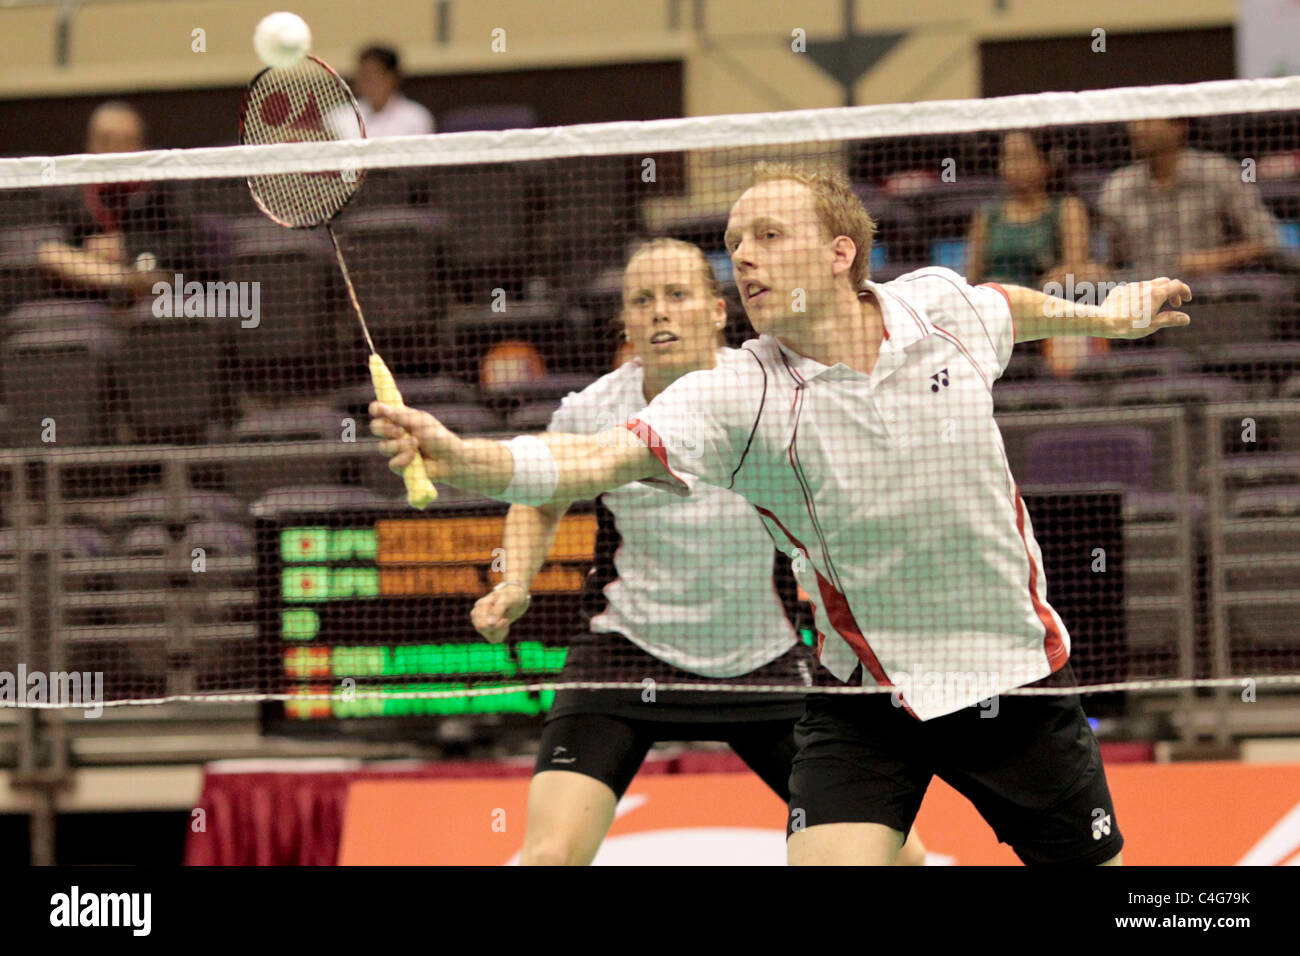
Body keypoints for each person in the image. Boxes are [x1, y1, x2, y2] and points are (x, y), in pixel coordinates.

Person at [371, 162, 1193, 866]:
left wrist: (1107, 316)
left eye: (766, 236)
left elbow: (1008, 304)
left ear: (841, 254)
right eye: (734, 245)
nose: (744, 258)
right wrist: (463, 456)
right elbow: (586, 461)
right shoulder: (739, 393)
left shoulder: (938, 309)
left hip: (1011, 671)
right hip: (867, 693)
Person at [472, 237, 925, 866]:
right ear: (625, 323)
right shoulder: (592, 410)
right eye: (642, 300)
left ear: (717, 311)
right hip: (627, 653)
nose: (659, 312)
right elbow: (539, 496)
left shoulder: (770, 394)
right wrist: (515, 581)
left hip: (763, 657)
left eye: (677, 295)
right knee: (549, 856)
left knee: (900, 856)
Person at [966, 130, 1109, 376]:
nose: (1013, 166)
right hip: (992, 319)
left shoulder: (1066, 208)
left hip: (1044, 318)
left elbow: (1075, 269)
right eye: (1007, 158)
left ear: (1045, 163)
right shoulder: (986, 216)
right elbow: (972, 278)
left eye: (1022, 157)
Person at [1099, 117, 1280, 279]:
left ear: (1178, 127)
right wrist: (1096, 269)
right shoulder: (1118, 185)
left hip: (1211, 297)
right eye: (1134, 121)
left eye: (1147, 121)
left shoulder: (1219, 172)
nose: (1137, 129)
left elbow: (1268, 240)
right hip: (1143, 298)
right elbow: (1109, 260)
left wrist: (1215, 258)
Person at [36, 101, 177, 300]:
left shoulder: (162, 186)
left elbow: (182, 241)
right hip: (90, 286)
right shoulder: (69, 191)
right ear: (90, 145)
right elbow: (54, 250)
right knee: (49, 254)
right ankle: (128, 281)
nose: (115, 149)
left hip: (152, 279)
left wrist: (126, 246)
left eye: (126, 141)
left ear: (141, 146)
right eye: (105, 140)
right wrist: (94, 252)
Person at [345, 45, 434, 138]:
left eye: (373, 77)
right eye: (363, 76)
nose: (367, 84)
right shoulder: (342, 117)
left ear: (392, 78)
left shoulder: (416, 118)